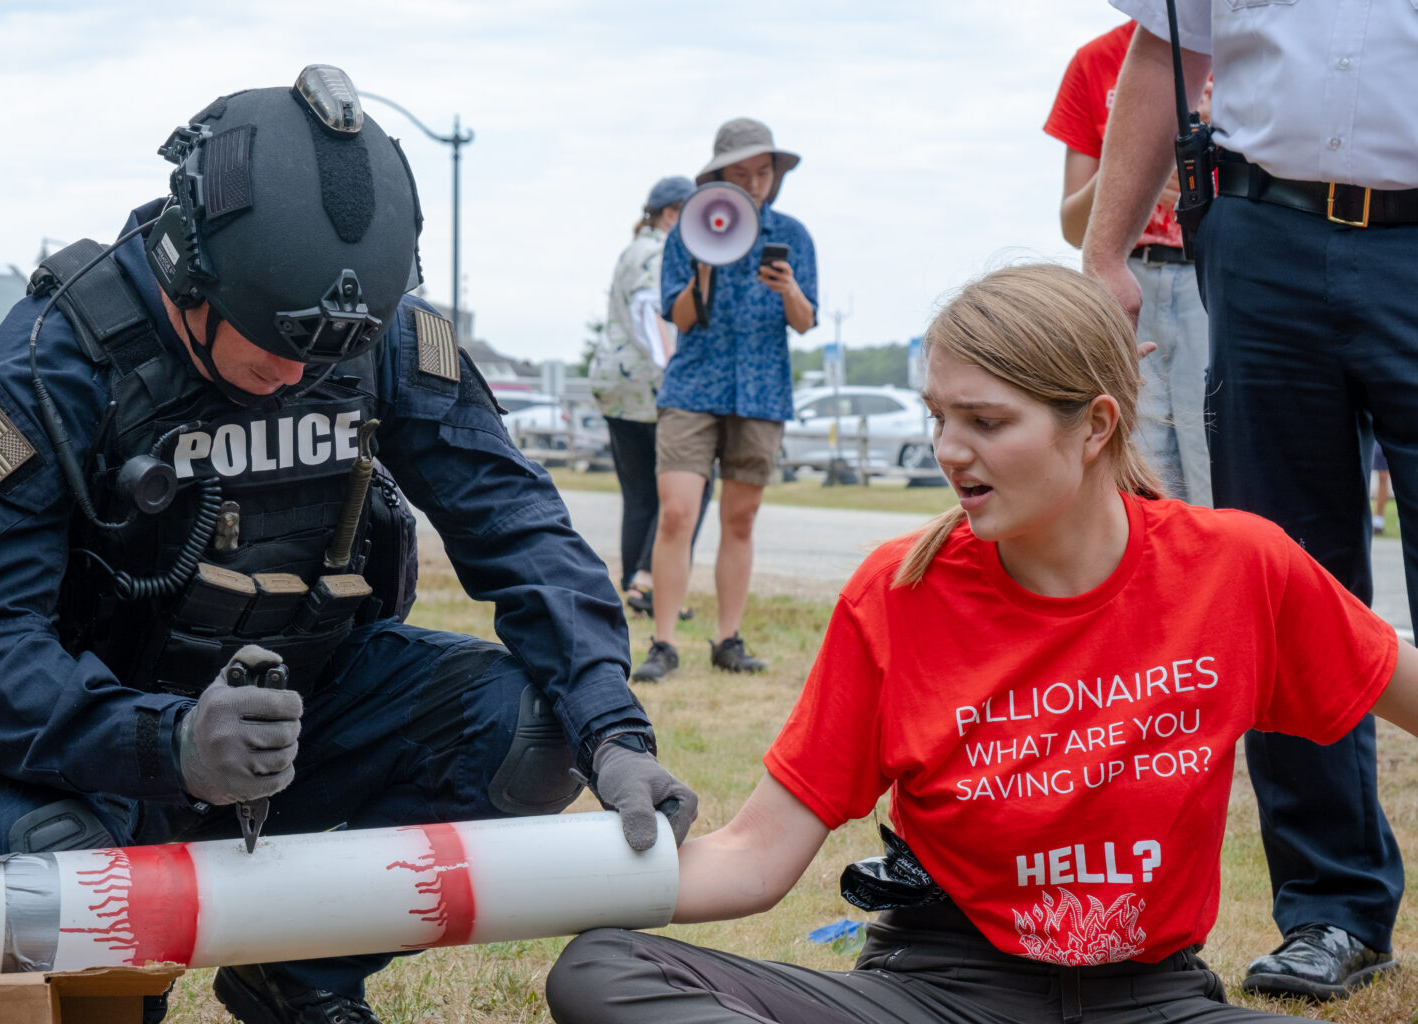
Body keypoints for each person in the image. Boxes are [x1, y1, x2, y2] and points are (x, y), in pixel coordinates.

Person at [0, 67, 695, 1024]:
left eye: (323, 353)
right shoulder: (47, 369)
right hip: (86, 740)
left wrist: (613, 725)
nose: (298, 373)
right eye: (273, 343)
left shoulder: (376, 337)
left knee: (534, 730)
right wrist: (170, 744)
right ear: (191, 270)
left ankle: (298, 976)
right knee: (60, 876)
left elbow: (516, 528)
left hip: (300, 711)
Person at [545, 264, 1418, 1024]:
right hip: (938, 988)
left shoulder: (1235, 567)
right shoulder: (899, 591)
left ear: (1096, 425)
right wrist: (490, 883)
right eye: (938, 418)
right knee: (603, 970)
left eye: (986, 423)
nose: (948, 452)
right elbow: (753, 859)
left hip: (1153, 1000)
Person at [1082, 0, 1416, 999]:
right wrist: (1104, 253)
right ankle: (1331, 909)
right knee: (1283, 586)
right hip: (1264, 236)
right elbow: (1164, 47)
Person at [632, 117, 818, 682]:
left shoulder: (794, 235)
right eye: (743, 172)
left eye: (764, 171)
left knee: (741, 519)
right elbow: (679, 316)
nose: (756, 183)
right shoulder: (685, 235)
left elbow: (806, 323)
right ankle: (663, 643)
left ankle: (727, 640)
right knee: (677, 514)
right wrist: (703, 272)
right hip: (694, 387)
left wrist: (790, 291)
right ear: (717, 176)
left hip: (761, 390)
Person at [1044, 19, 1211, 506]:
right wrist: (1137, 163)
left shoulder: (1243, 41)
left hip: (1213, 273)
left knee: (1217, 468)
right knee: (1131, 468)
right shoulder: (1094, 61)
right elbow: (1074, 227)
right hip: (1128, 274)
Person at [587, 175, 710, 620]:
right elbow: (648, 311)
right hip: (651, 386)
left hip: (616, 385)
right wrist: (673, 367)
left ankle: (635, 590)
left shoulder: (631, 250)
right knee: (690, 484)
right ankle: (651, 580)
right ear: (673, 214)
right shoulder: (659, 251)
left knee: (640, 493)